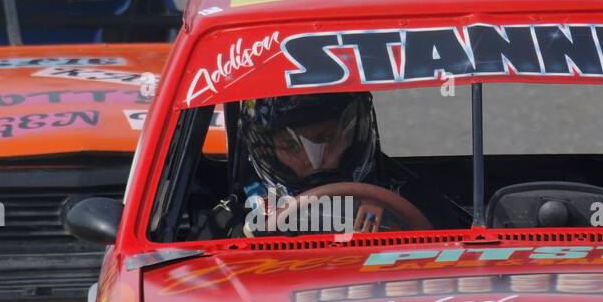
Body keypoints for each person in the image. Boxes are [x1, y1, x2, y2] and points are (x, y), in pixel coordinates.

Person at [197, 92, 464, 237]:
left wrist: (398, 227)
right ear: (265, 150)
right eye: (291, 146)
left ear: (353, 132)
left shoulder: (412, 200)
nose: (312, 160)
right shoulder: (233, 221)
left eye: (326, 139)